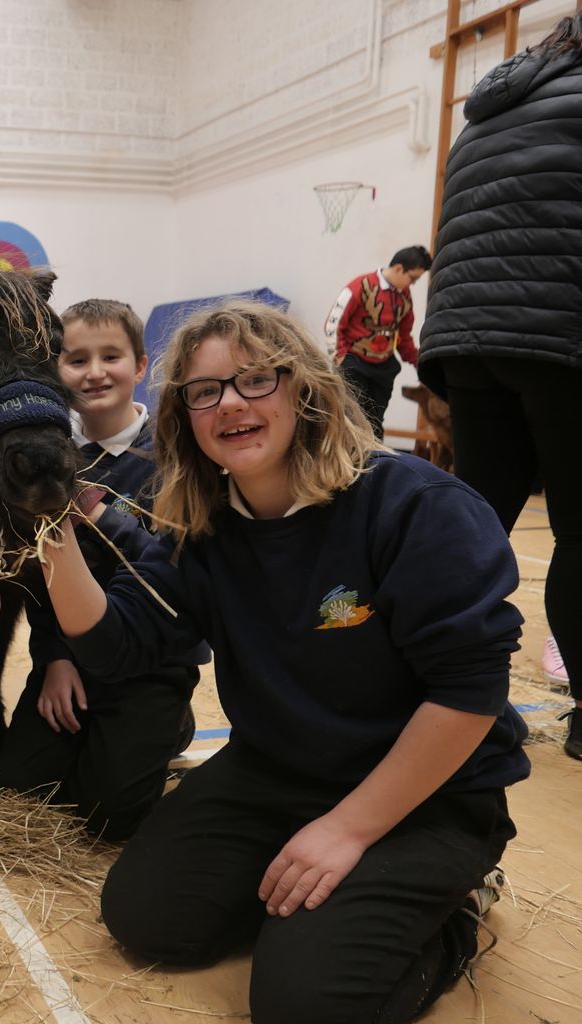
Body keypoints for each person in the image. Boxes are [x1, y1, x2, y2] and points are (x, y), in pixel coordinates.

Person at [39, 301, 529, 1023]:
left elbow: (469, 690)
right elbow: (118, 645)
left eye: (255, 379)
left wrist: (348, 829)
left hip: (430, 795)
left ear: (305, 390)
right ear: (184, 417)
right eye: (205, 391)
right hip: (277, 770)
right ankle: (325, 909)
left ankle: (455, 908)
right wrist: (44, 527)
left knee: (305, 1004)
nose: (230, 403)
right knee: (146, 920)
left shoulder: (414, 505)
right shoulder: (203, 528)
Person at [419, 12, 582, 759]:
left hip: (467, 340)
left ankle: (424, 687)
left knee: (476, 528)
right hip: (558, 333)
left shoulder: (495, 101)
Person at [0, 299, 204, 840]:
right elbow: (42, 576)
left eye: (110, 356)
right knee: (19, 789)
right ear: (56, 371)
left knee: (108, 816)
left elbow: (169, 567)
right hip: (77, 658)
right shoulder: (51, 454)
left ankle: (171, 722)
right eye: (76, 359)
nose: (93, 373)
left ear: (140, 365)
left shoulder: (175, 457)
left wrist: (99, 514)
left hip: (151, 662)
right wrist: (54, 659)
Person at [324, 245, 432, 440]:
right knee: (351, 420)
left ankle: (374, 456)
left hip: (383, 367)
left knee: (375, 422)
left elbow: (403, 336)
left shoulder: (404, 296)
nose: (413, 284)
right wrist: (340, 357)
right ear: (399, 268)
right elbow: (333, 324)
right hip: (355, 362)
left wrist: (419, 363)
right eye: (413, 278)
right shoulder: (360, 286)